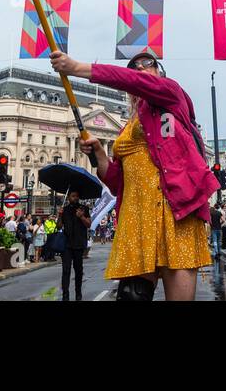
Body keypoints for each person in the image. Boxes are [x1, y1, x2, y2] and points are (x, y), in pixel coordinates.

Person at [52, 49, 214, 301]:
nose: (140, 68)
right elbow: (116, 181)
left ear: (158, 71)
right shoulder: (128, 127)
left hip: (174, 212)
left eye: (147, 63)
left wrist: (75, 68)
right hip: (137, 218)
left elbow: (139, 81)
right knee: (131, 297)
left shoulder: (170, 94)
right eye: (133, 66)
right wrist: (99, 153)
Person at [60, 189, 92, 301]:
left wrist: (81, 217)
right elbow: (59, 226)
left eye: (77, 196)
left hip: (79, 244)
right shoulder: (65, 210)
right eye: (73, 196)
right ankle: (65, 295)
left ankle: (78, 293)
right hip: (67, 245)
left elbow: (89, 224)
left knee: (78, 270)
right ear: (68, 197)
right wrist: (59, 215)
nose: (75, 198)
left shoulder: (84, 209)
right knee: (66, 271)